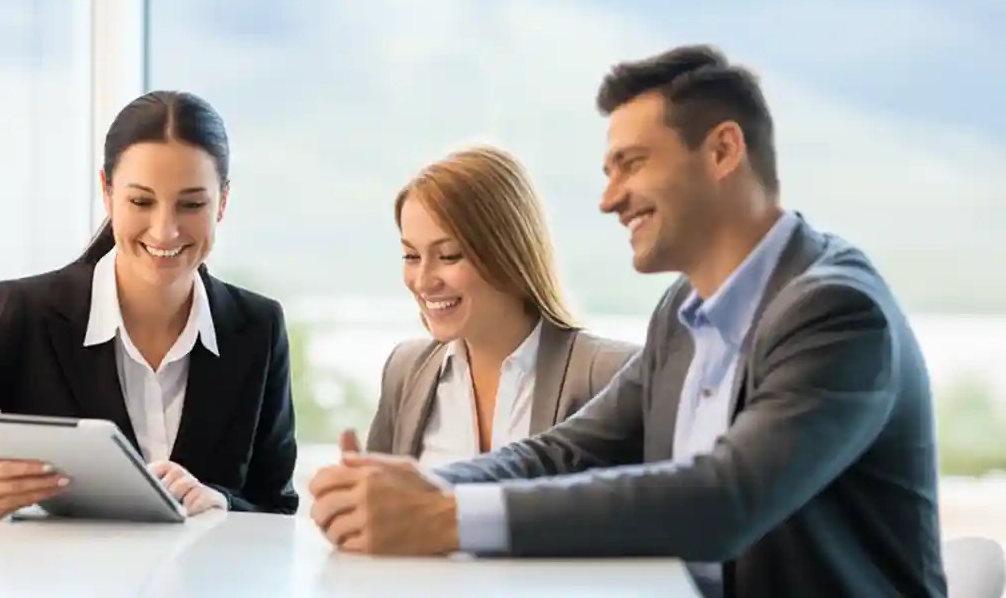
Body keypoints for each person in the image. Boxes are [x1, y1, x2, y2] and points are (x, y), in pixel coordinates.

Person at [309, 46, 946, 597]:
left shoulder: (836, 312)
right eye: (608, 170)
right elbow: (568, 452)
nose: (609, 198)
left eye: (632, 163)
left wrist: (446, 518)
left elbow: (724, 499)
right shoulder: (682, 313)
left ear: (723, 150)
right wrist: (422, 482)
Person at [0, 91, 298, 518]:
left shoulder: (258, 328)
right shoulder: (27, 315)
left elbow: (275, 506)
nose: (165, 230)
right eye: (141, 201)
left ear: (222, 202)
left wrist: (220, 503)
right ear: (107, 192)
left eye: (192, 204)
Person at [366, 145, 637, 465]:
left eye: (449, 255)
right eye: (411, 256)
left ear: (509, 253)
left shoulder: (609, 375)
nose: (423, 281)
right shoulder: (406, 370)